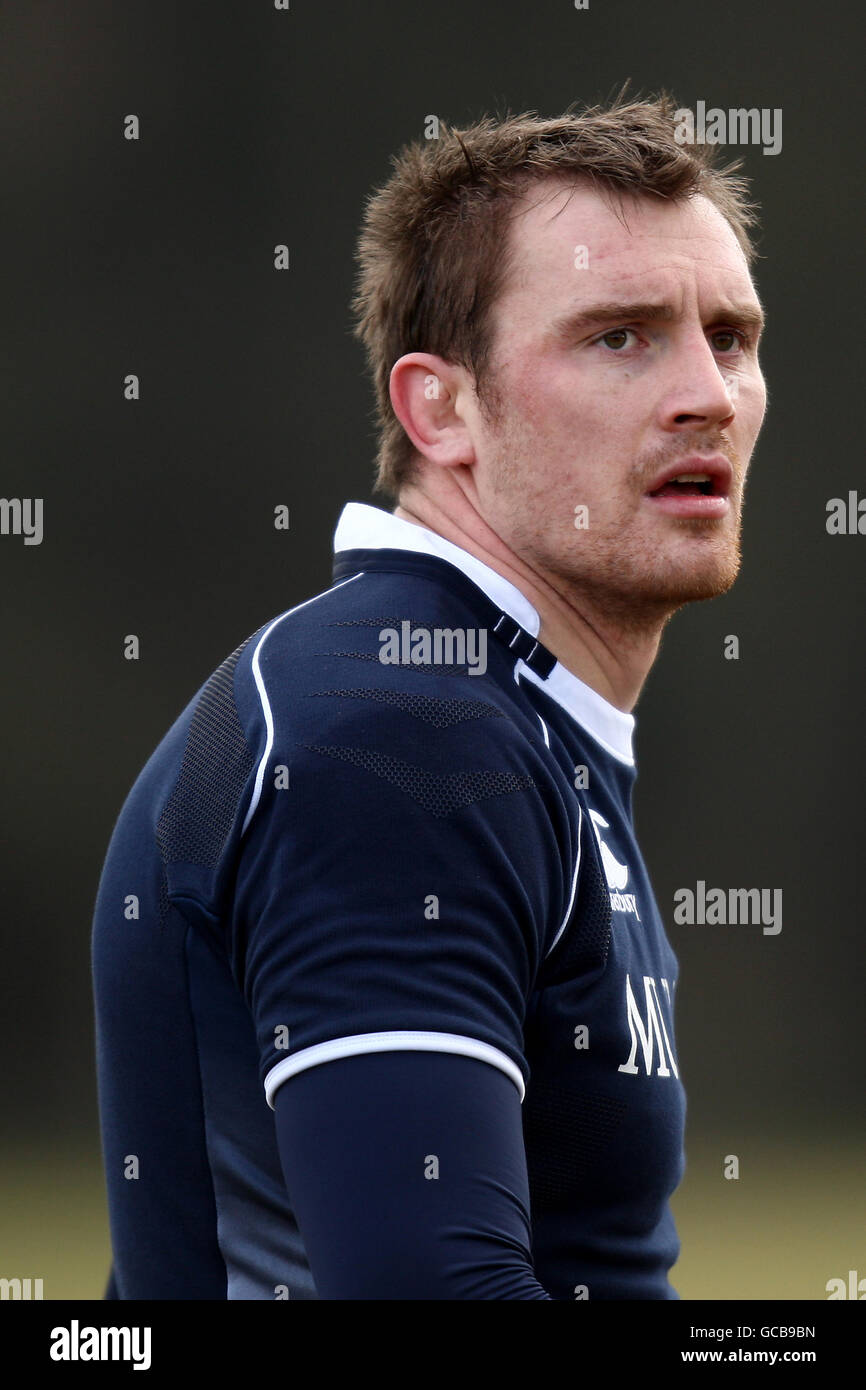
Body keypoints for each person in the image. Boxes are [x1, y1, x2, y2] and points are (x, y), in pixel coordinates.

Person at [92, 93, 767, 1300]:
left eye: (726, 335)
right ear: (437, 408)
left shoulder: (505, 713)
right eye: (617, 336)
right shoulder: (396, 731)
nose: (707, 395)